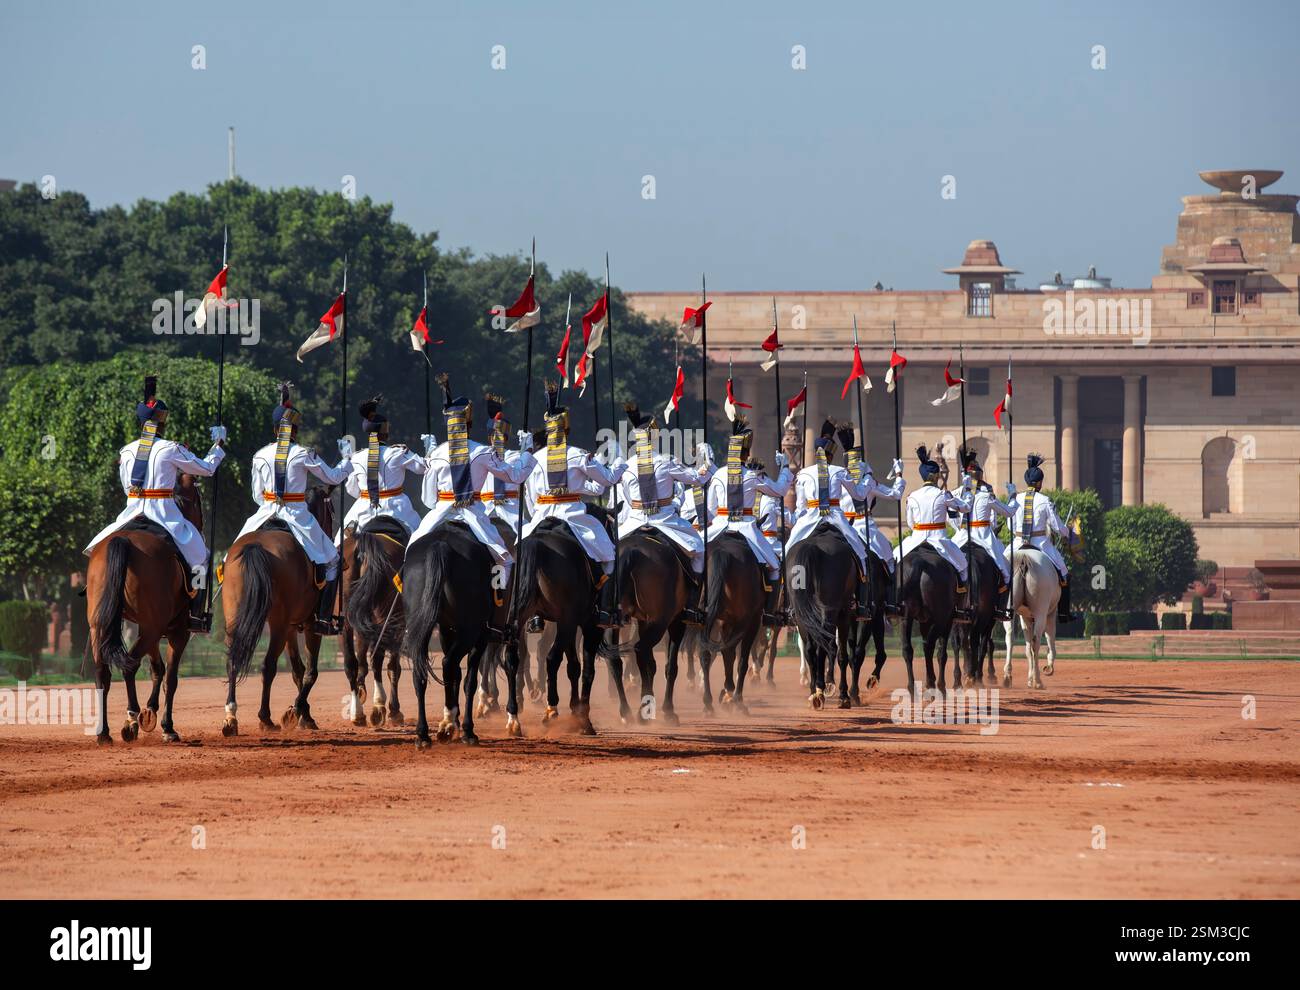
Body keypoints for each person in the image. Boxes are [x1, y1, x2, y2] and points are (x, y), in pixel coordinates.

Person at [84, 375, 226, 631]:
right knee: (201, 558)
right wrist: (217, 446)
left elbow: (126, 485)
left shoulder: (126, 451)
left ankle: (94, 590)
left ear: (141, 422)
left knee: (97, 550)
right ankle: (195, 613)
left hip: (130, 513)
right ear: (163, 421)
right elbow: (206, 469)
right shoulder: (170, 448)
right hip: (163, 515)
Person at [232, 382, 352, 634]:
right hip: (297, 515)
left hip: (264, 513)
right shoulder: (303, 453)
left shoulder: (260, 454)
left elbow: (256, 495)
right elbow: (332, 478)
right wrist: (347, 459)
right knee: (332, 561)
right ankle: (322, 618)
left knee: (229, 559)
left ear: (276, 429)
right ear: (294, 430)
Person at [408, 374, 536, 609]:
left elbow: (427, 499)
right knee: (504, 560)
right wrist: (527, 453)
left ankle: (410, 606)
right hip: (475, 513)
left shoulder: (436, 454)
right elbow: (516, 477)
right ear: (469, 424)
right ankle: (499, 602)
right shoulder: (482, 452)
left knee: (410, 553)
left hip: (439, 514)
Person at [521, 383, 620, 625]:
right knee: (608, 555)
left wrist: (538, 515)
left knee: (515, 559)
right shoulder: (577, 454)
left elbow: (529, 498)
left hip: (540, 517)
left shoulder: (534, 459)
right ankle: (605, 608)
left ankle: (528, 611)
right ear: (567, 429)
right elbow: (607, 480)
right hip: (573, 515)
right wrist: (618, 463)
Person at [608, 403, 707, 624]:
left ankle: (606, 606)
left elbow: (623, 496)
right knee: (699, 550)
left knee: (607, 557)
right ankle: (691, 605)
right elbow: (697, 479)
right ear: (654, 438)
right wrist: (707, 465)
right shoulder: (667, 461)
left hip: (632, 522)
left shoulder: (625, 466)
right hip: (665, 521)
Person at [703, 416, 791, 626]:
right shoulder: (753, 476)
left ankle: (694, 606)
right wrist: (785, 468)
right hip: (746, 528)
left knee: (696, 558)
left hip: (719, 526)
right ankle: (769, 614)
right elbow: (779, 491)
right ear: (746, 453)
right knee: (775, 567)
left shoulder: (718, 475)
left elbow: (709, 509)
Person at [786, 420, 874, 620]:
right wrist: (867, 477)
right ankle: (860, 602)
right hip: (835, 518)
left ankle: (790, 603)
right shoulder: (840, 472)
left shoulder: (803, 474)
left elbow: (800, 506)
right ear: (832, 455)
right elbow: (859, 495)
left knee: (789, 554)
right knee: (861, 555)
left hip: (809, 519)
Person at [894, 444, 974, 621]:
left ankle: (893, 603)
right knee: (963, 568)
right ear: (936, 476)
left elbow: (910, 522)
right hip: (939, 540)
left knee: (893, 562)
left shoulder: (912, 496)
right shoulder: (943, 495)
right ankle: (960, 607)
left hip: (915, 539)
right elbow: (966, 508)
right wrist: (967, 489)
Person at [337, 395, 428, 542]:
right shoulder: (398, 452)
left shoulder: (356, 457)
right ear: (385, 431)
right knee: (421, 539)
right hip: (397, 509)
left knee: (339, 543)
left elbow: (352, 489)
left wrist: (367, 495)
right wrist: (429, 452)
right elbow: (422, 468)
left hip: (364, 508)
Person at [836, 425, 906, 612]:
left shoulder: (838, 479)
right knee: (889, 559)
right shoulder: (869, 482)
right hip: (863, 527)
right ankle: (890, 602)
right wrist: (899, 474)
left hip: (840, 526)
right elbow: (896, 494)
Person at [1006, 453, 1076, 622]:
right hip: (1041, 545)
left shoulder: (1015, 498)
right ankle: (1063, 613)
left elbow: (1009, 525)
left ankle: (1000, 608)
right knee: (1064, 573)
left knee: (1000, 571)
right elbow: (1057, 527)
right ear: (1039, 483)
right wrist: (1068, 532)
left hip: (1016, 543)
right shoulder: (1045, 500)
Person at [950, 446, 1015, 620]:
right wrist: (1013, 497)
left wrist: (958, 526)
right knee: (1006, 572)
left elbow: (951, 516)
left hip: (962, 535)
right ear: (978, 475)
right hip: (985, 535)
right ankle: (1001, 609)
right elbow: (1008, 513)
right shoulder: (987, 495)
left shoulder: (957, 493)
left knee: (948, 564)